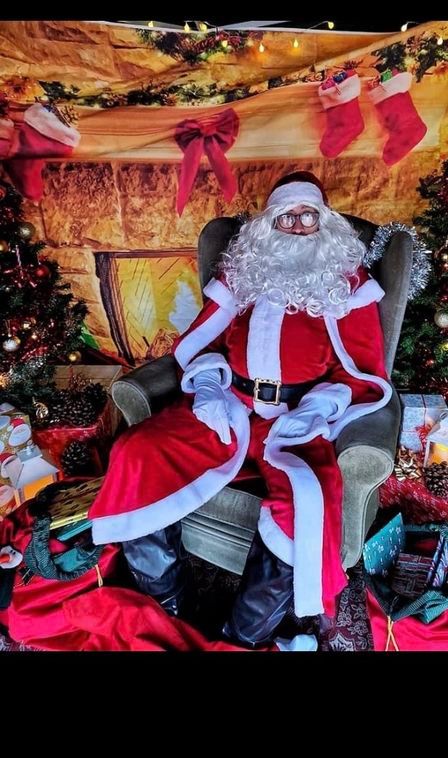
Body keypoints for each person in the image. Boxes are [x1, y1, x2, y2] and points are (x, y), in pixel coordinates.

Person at [89, 171, 392, 647]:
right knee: (138, 451)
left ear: (323, 221)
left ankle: (240, 637)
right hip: (231, 406)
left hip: (297, 423)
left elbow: (364, 369)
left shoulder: (347, 284)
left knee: (306, 504)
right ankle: (170, 610)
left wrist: (318, 407)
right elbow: (203, 339)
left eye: (306, 215)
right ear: (268, 223)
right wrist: (209, 383)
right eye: (284, 215)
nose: (294, 225)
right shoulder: (244, 271)